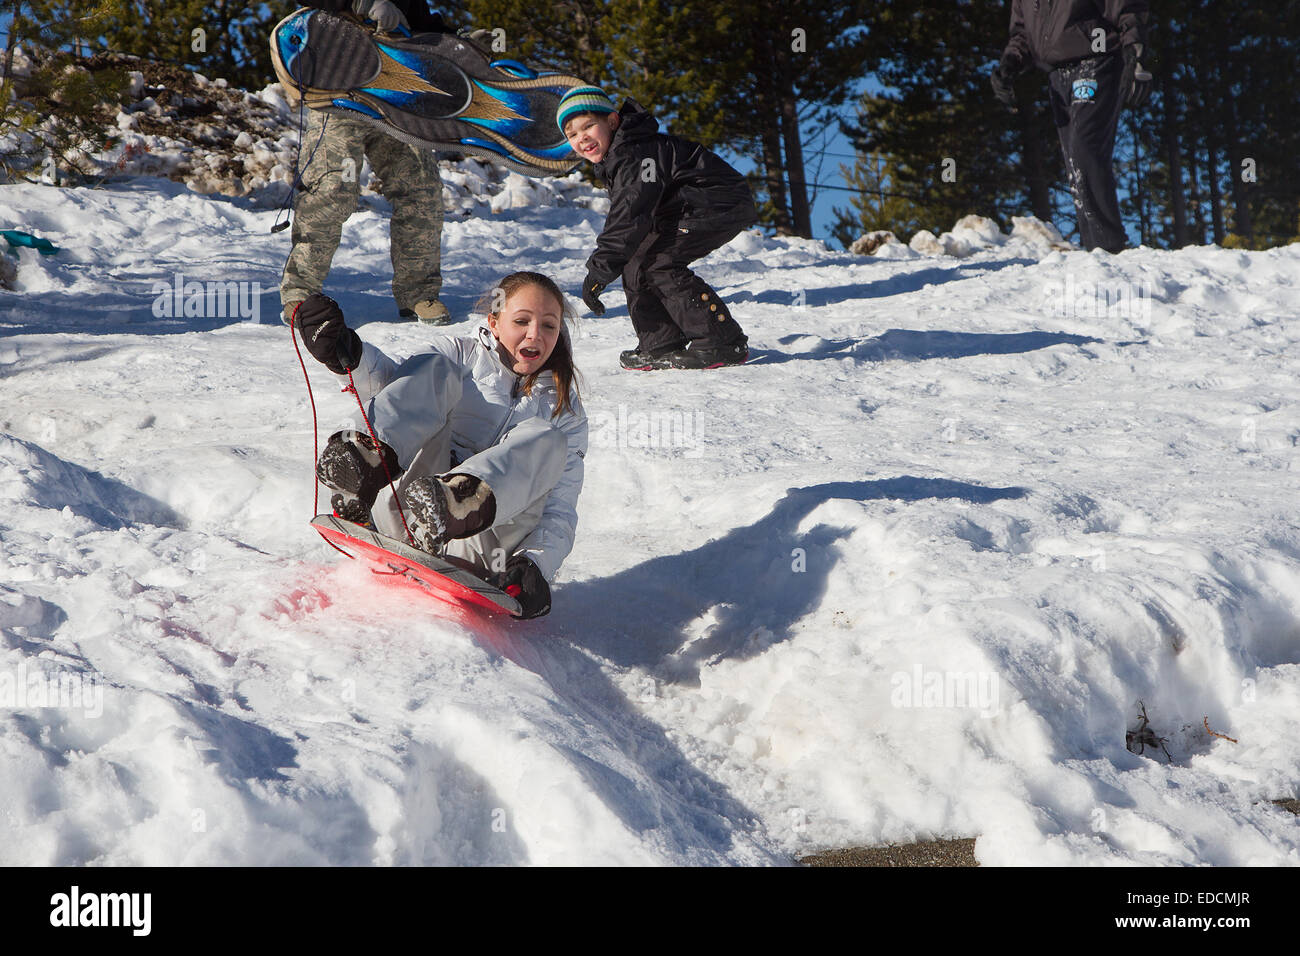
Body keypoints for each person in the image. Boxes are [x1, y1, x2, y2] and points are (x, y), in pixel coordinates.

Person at [293, 272, 588, 619]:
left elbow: (559, 509)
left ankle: (460, 503)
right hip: (400, 508)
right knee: (434, 369)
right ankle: (369, 459)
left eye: (549, 326)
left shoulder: (565, 411)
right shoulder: (459, 355)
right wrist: (347, 352)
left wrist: (534, 564)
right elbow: (396, 387)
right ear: (494, 323)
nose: (535, 334)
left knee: (549, 440)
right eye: (521, 321)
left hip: (478, 549)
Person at [559, 86, 757, 370]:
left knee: (661, 262)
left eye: (588, 126)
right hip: (686, 206)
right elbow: (634, 217)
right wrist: (613, 261)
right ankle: (660, 342)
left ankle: (722, 342)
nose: (582, 138)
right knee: (637, 260)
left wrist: (601, 268)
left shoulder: (636, 152)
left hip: (717, 202)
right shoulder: (619, 156)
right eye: (572, 135)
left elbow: (631, 212)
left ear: (612, 122)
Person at [280, 0, 452, 325]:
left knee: (421, 188)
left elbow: (419, 22)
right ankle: (300, 294)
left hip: (395, 90)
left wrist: (460, 47)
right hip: (336, 84)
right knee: (332, 187)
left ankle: (419, 294)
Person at [990, 0, 1152, 254]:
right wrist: (1009, 64)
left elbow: (1126, 7)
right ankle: (1095, 251)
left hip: (1097, 58)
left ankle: (1109, 248)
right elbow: (1022, 33)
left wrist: (1136, 53)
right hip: (1057, 72)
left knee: (1085, 148)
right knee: (1074, 163)